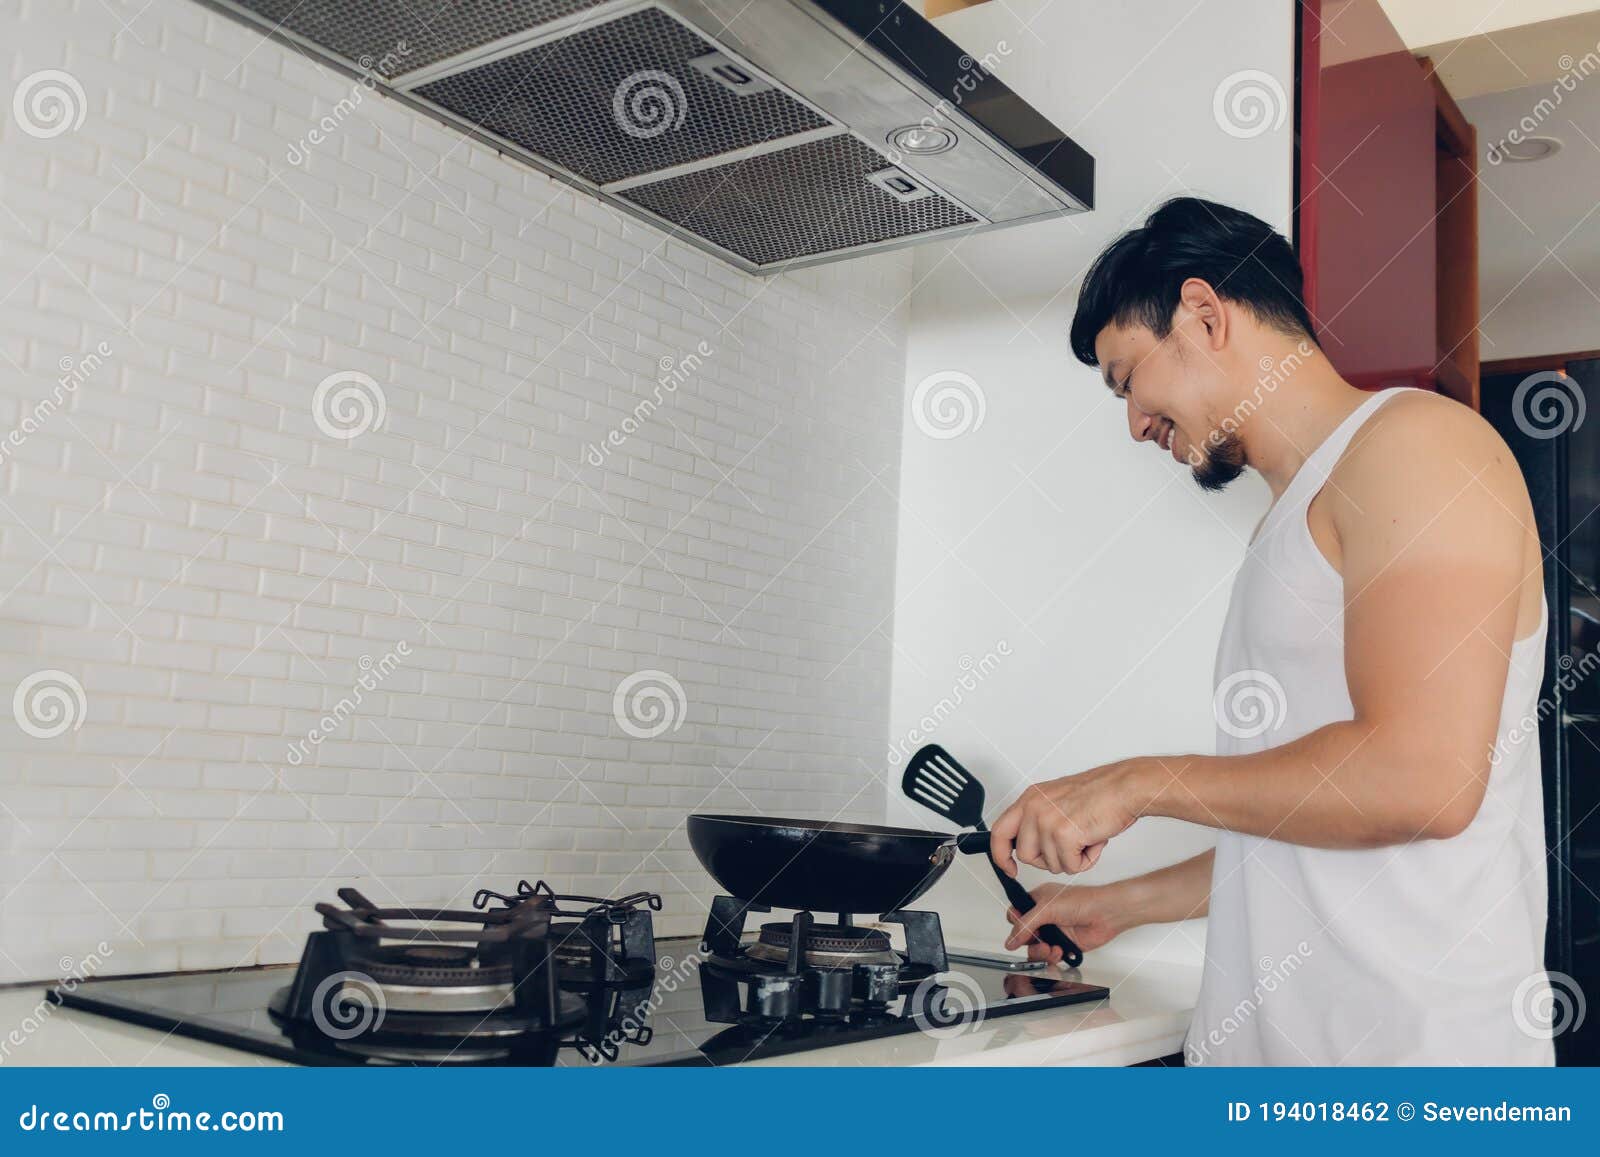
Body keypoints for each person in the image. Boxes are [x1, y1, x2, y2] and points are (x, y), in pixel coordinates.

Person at [990, 197, 1552, 1065]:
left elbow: (1422, 781)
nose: (1135, 423)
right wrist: (1126, 902)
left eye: (1126, 378)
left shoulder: (1419, 447)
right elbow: (1319, 826)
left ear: (1205, 314)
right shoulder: (1291, 521)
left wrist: (1135, 783)